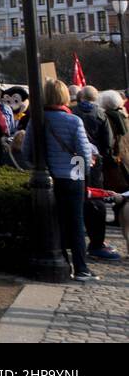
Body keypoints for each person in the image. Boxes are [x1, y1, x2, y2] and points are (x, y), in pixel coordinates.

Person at [23, 79, 98, 281]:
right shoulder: (74, 121)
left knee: (53, 222)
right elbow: (83, 153)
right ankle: (81, 268)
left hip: (48, 178)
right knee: (75, 223)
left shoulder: (36, 120)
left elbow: (26, 150)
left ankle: (63, 261)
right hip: (72, 177)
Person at [73, 85, 120, 261]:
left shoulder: (73, 112)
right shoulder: (101, 115)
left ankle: (77, 239)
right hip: (95, 162)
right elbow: (107, 142)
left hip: (74, 161)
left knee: (79, 197)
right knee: (95, 199)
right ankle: (96, 242)